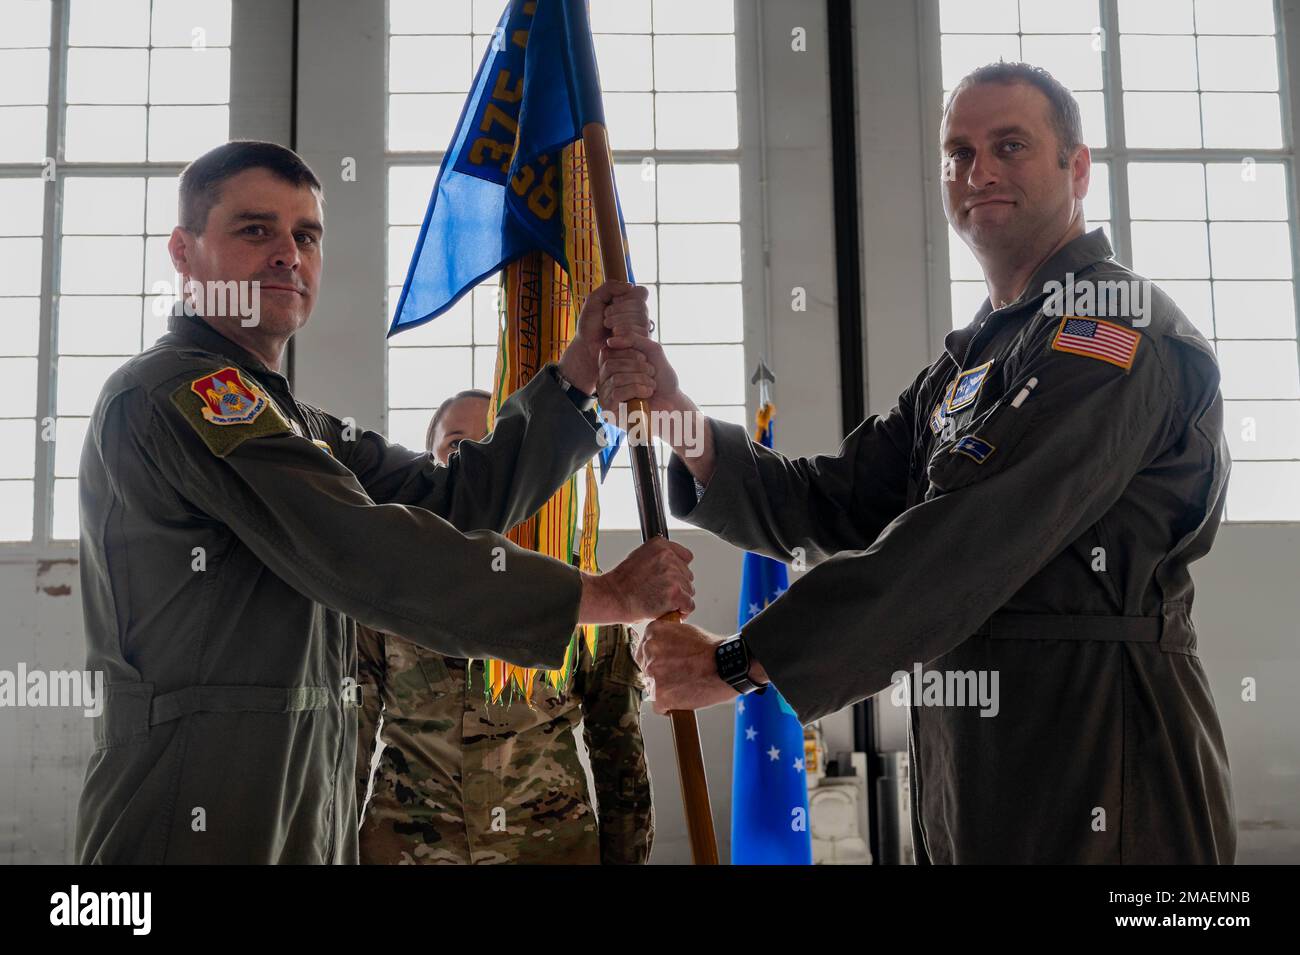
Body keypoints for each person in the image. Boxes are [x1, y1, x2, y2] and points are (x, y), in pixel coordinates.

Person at [604, 64, 1235, 864]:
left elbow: (963, 543)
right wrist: (675, 414)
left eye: (1011, 145)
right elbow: (828, 501)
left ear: (1078, 169)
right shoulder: (970, 361)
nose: (980, 172)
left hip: (1101, 762)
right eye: (959, 152)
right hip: (970, 775)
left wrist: (737, 662)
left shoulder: (1113, 334)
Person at [75, 140, 693, 864]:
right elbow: (364, 550)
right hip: (184, 819)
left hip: (300, 819)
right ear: (183, 253)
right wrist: (601, 596)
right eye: (255, 229)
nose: (287, 254)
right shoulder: (178, 397)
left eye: (306, 235)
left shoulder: (301, 427)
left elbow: (455, 498)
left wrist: (575, 377)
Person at [356, 390, 653, 864]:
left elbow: (619, 751)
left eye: (493, 442)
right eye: (456, 444)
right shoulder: (387, 585)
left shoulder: (585, 590)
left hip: (548, 847)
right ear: (428, 463)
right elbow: (349, 739)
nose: (475, 457)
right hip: (408, 847)